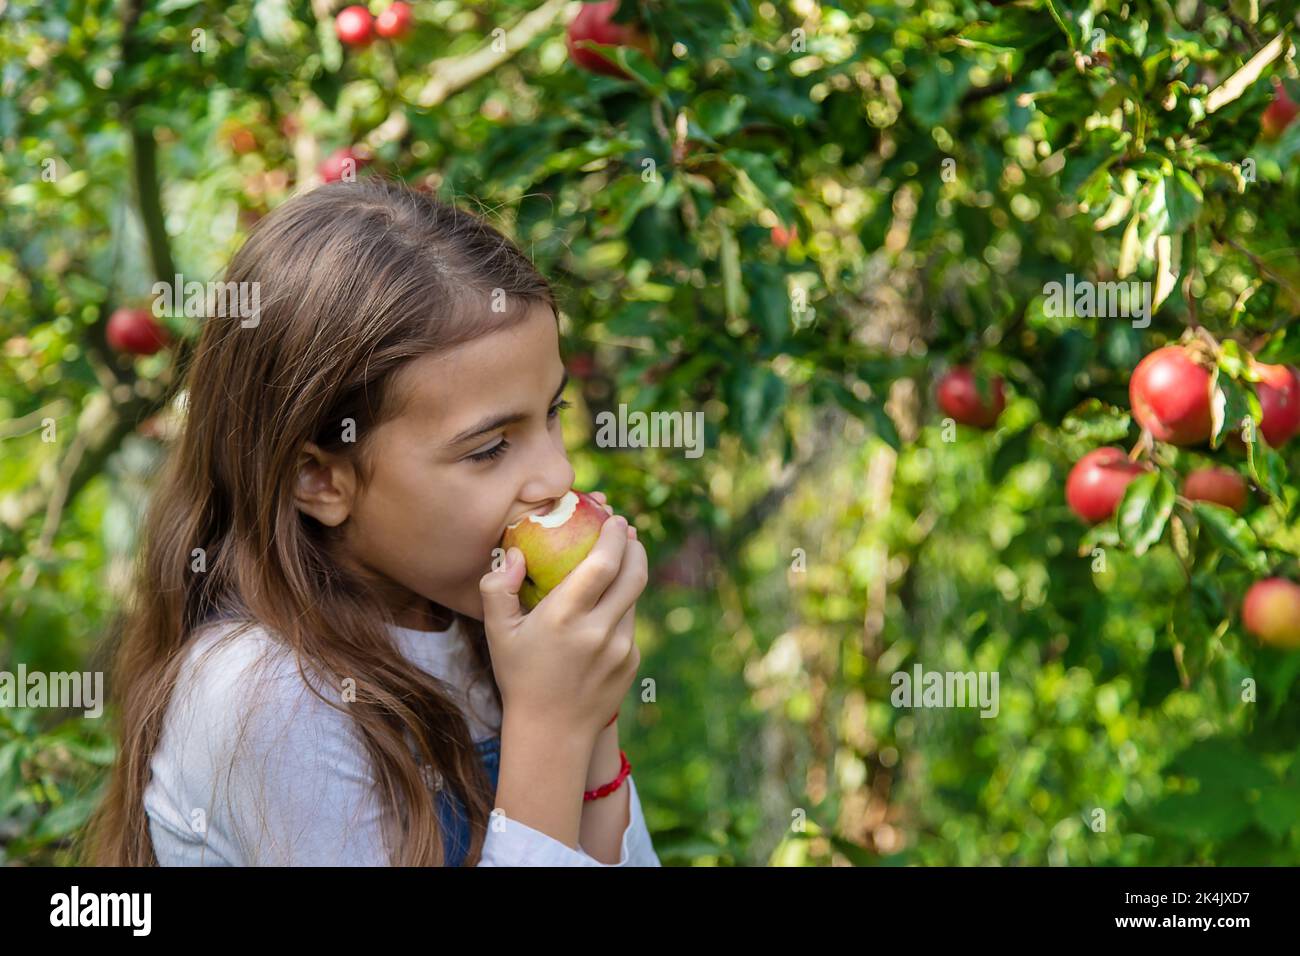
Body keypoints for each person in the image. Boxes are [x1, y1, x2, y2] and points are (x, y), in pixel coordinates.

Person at [82, 179, 659, 866]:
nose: (558, 478)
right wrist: (551, 725)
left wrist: (590, 722)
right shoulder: (268, 701)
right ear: (318, 478)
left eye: (553, 414)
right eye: (489, 448)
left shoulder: (484, 634)